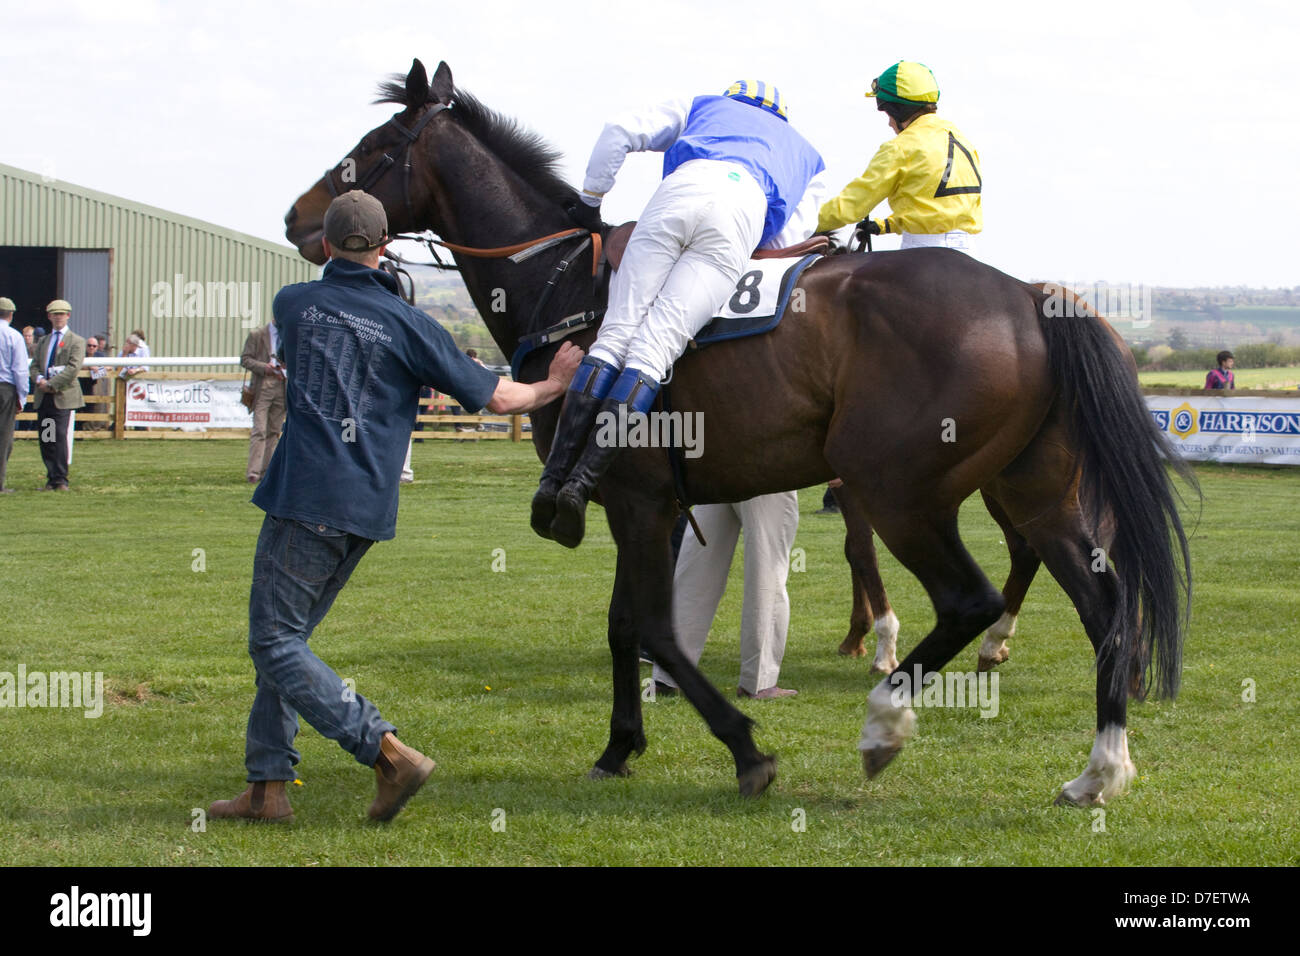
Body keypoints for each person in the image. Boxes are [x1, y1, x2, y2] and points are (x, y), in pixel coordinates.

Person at [208, 191, 582, 823]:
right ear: (387, 246)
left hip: (304, 497)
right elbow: (499, 400)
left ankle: (385, 751)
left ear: (325, 245)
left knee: (272, 640)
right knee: (286, 640)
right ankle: (268, 787)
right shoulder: (411, 325)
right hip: (366, 507)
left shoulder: (293, 304)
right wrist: (555, 383)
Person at [532, 80, 827, 549]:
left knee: (613, 337)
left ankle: (551, 481)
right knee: (652, 352)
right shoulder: (809, 159)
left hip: (677, 194)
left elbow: (619, 130)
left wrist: (591, 200)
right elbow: (777, 244)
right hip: (738, 217)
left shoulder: (703, 106)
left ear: (735, 99)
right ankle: (581, 485)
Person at [817, 61, 982, 252]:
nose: (889, 123)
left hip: (921, 252)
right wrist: (885, 225)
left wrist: (803, 223)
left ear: (898, 109)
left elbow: (851, 205)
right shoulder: (964, 141)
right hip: (968, 251)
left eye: (889, 114)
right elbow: (938, 209)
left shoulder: (901, 147)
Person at [653, 492, 800, 700]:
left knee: (694, 576)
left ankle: (668, 675)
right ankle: (759, 682)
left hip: (716, 475)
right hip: (766, 477)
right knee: (766, 573)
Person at [29, 300, 85, 491]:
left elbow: (73, 368)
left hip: (62, 397)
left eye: (62, 314)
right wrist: (39, 380)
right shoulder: (43, 341)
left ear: (68, 315)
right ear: (49, 316)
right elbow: (34, 365)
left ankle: (61, 479)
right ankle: (51, 477)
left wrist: (51, 384)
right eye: (55, 314)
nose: (58, 317)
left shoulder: (76, 341)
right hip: (44, 397)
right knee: (46, 437)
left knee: (59, 437)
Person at [240, 322, 287, 483]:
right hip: (263, 385)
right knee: (259, 429)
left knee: (274, 431)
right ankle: (253, 472)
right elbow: (245, 359)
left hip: (283, 386)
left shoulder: (288, 333)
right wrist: (264, 367)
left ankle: (267, 472)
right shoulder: (257, 335)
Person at [0, 297, 28, 493]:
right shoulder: (14, 336)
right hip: (5, 389)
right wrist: (22, 396)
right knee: (3, 437)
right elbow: (20, 370)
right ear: (10, 315)